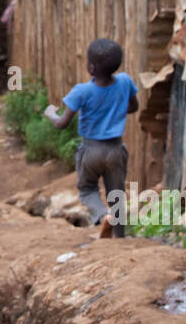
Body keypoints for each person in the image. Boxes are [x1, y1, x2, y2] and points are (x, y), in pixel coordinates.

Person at [44, 38, 139, 239]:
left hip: (91, 150)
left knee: (87, 189)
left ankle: (103, 215)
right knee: (117, 194)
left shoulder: (82, 91)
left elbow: (62, 123)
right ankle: (119, 237)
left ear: (91, 67)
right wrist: (116, 109)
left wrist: (51, 112)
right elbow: (133, 107)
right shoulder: (125, 82)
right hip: (115, 149)